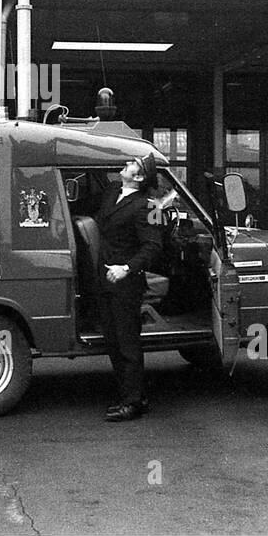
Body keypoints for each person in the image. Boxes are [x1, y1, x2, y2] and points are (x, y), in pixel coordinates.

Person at [94, 154, 163, 422]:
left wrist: (127, 268)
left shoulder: (146, 206)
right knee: (113, 340)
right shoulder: (113, 191)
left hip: (125, 283)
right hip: (105, 278)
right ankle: (130, 396)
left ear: (140, 177)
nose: (126, 164)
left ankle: (133, 402)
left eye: (132, 163)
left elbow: (153, 246)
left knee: (127, 343)